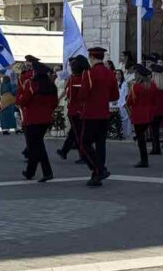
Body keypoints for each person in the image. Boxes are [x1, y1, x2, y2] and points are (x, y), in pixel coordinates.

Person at [83, 46, 119, 186]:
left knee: (84, 143)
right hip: (104, 112)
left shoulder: (89, 74)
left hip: (91, 113)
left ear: (92, 58)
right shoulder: (110, 74)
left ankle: (99, 169)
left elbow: (83, 95)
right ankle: (97, 174)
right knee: (100, 144)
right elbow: (114, 95)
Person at [18, 63, 58, 182]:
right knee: (34, 145)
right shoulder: (51, 86)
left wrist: (21, 92)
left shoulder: (31, 85)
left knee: (37, 146)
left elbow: (23, 101)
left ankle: (47, 172)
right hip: (45, 119)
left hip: (31, 119)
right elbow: (54, 103)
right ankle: (30, 172)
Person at [57, 56, 89, 163]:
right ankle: (64, 151)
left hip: (74, 110)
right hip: (83, 109)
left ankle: (83, 155)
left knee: (78, 134)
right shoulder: (85, 78)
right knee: (75, 132)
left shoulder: (72, 79)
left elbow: (69, 94)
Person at [127, 65, 156, 168]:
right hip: (149, 113)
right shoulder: (152, 85)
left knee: (141, 138)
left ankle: (144, 160)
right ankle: (144, 159)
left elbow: (130, 101)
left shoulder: (135, 87)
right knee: (143, 136)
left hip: (139, 114)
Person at [0, 68, 19, 135]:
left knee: (4, 114)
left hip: (3, 99)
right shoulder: (12, 80)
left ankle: (5, 129)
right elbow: (14, 90)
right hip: (11, 98)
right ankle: (17, 128)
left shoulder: (2, 82)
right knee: (14, 114)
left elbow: (0, 92)